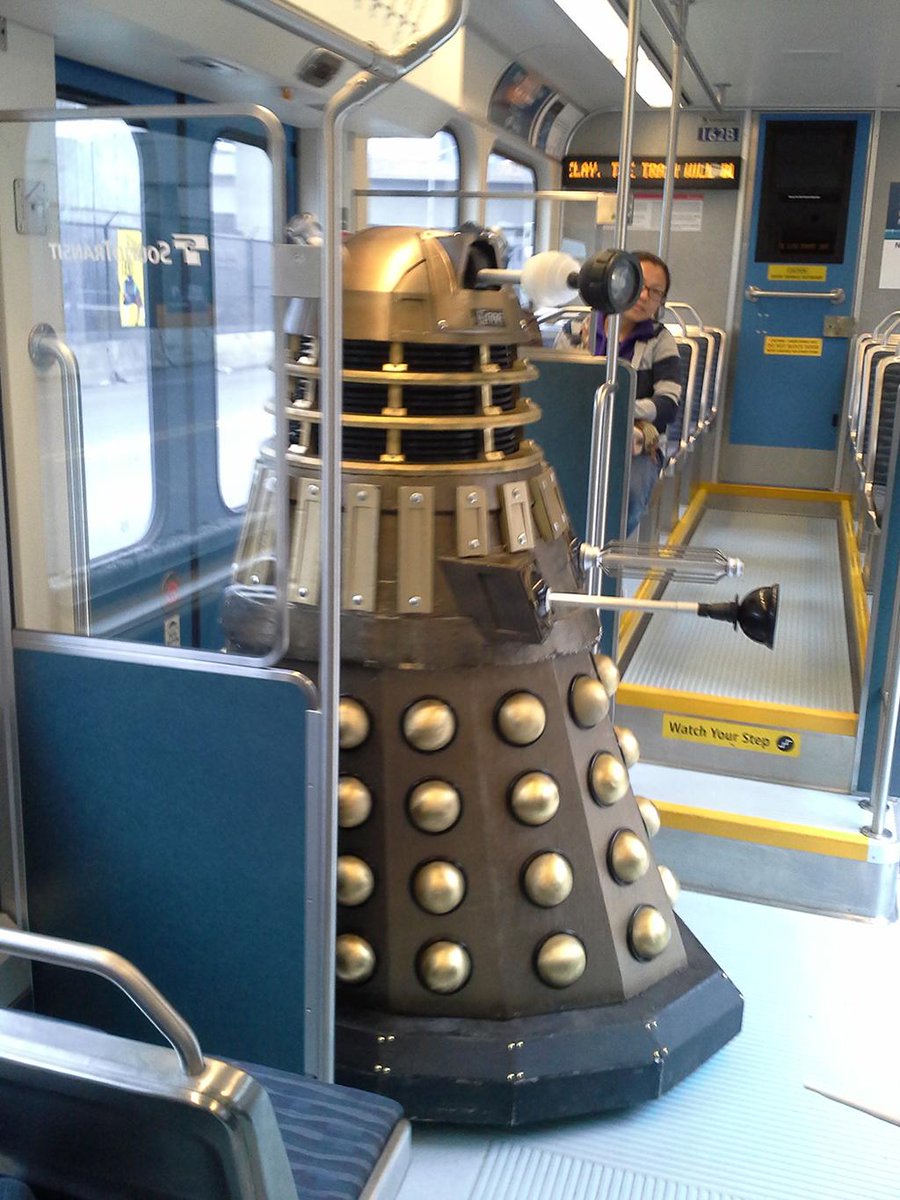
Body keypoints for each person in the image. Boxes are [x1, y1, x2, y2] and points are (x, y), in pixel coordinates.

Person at [554, 251, 682, 534]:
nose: (645, 296)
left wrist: (623, 411)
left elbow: (668, 404)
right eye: (638, 285)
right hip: (575, 436)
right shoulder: (576, 330)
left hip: (636, 444)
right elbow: (559, 389)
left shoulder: (660, 341)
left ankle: (605, 560)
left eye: (656, 291)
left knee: (629, 498)